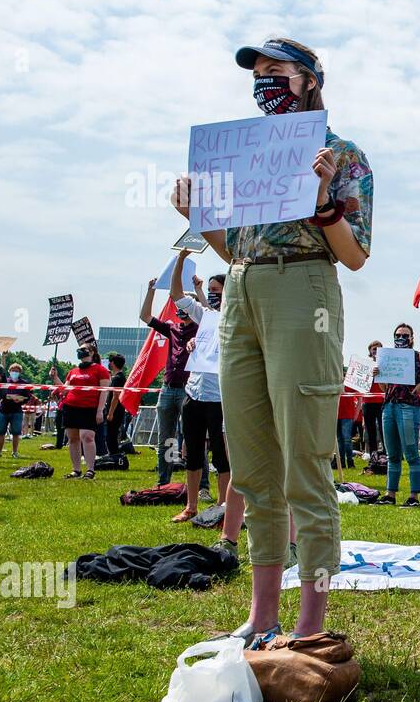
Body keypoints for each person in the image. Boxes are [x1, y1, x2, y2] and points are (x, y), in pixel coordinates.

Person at [170, 35, 372, 646]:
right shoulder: (245, 155)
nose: (264, 83)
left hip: (303, 289)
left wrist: (323, 208)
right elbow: (239, 250)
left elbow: (356, 256)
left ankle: (310, 624)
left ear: (311, 78)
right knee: (252, 462)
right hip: (240, 290)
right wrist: (200, 221)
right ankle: (262, 615)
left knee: (304, 462)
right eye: (257, 75)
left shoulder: (342, 155)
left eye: (276, 72)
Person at [165, 253, 247, 550]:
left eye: (217, 291)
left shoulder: (240, 318)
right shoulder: (206, 316)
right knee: (193, 453)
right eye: (209, 291)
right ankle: (191, 506)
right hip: (194, 392)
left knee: (223, 457)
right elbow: (176, 294)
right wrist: (181, 261)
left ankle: (225, 508)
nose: (212, 295)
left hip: (222, 395)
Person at [140, 277, 197, 486]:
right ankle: (164, 481)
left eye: (183, 306)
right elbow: (145, 316)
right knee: (167, 440)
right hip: (167, 389)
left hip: (188, 389)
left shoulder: (201, 328)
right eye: (177, 306)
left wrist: (197, 292)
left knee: (192, 439)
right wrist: (151, 290)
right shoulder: (173, 328)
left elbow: (209, 316)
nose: (179, 310)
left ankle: (202, 485)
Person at [374, 323, 420, 507]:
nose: (401, 338)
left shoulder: (416, 357)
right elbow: (384, 387)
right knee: (392, 454)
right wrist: (377, 375)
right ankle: (390, 494)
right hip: (389, 406)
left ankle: (413, 497)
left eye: (405, 335)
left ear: (412, 338)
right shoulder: (387, 357)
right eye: (398, 335)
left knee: (411, 453)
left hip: (409, 407)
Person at [49, 345, 110, 479]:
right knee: (73, 439)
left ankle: (90, 470)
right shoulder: (73, 371)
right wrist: (55, 378)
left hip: (89, 408)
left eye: (84, 349)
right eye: (79, 349)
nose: (80, 352)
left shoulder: (101, 370)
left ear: (92, 352)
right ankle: (76, 470)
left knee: (87, 436)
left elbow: (104, 391)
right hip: (71, 407)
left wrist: (100, 410)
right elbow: (65, 389)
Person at [0, 362, 28, 460]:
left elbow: (28, 396)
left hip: (17, 411)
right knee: (0, 432)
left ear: (20, 372)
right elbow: (0, 394)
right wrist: (8, 396)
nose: (14, 372)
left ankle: (14, 452)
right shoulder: (5, 381)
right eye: (13, 370)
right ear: (9, 371)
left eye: (17, 371)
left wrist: (21, 399)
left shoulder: (24, 383)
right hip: (3, 410)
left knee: (16, 433)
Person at [103, 353, 129, 457]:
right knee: (112, 434)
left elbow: (115, 396)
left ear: (113, 363)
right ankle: (113, 454)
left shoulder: (118, 378)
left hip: (115, 411)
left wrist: (110, 413)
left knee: (111, 435)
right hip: (119, 410)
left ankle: (113, 455)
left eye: (110, 361)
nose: (109, 363)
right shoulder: (119, 377)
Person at [362, 340, 385, 459]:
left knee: (383, 429)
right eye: (374, 349)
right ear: (370, 351)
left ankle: (386, 453)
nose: (376, 351)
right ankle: (373, 454)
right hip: (367, 402)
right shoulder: (365, 365)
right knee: (370, 429)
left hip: (381, 401)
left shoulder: (385, 364)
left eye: (379, 349)